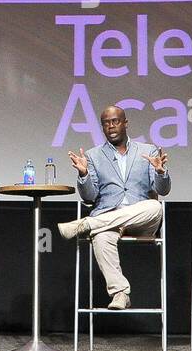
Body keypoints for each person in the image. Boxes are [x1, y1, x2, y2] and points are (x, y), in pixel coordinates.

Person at [57, 105, 171, 310]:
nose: (111, 126)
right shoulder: (93, 156)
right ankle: (120, 293)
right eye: (106, 123)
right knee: (100, 236)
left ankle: (87, 224)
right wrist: (83, 175)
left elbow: (162, 191)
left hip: (141, 218)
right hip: (109, 218)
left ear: (125, 123)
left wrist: (161, 172)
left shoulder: (148, 151)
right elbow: (89, 197)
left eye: (115, 121)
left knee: (155, 206)